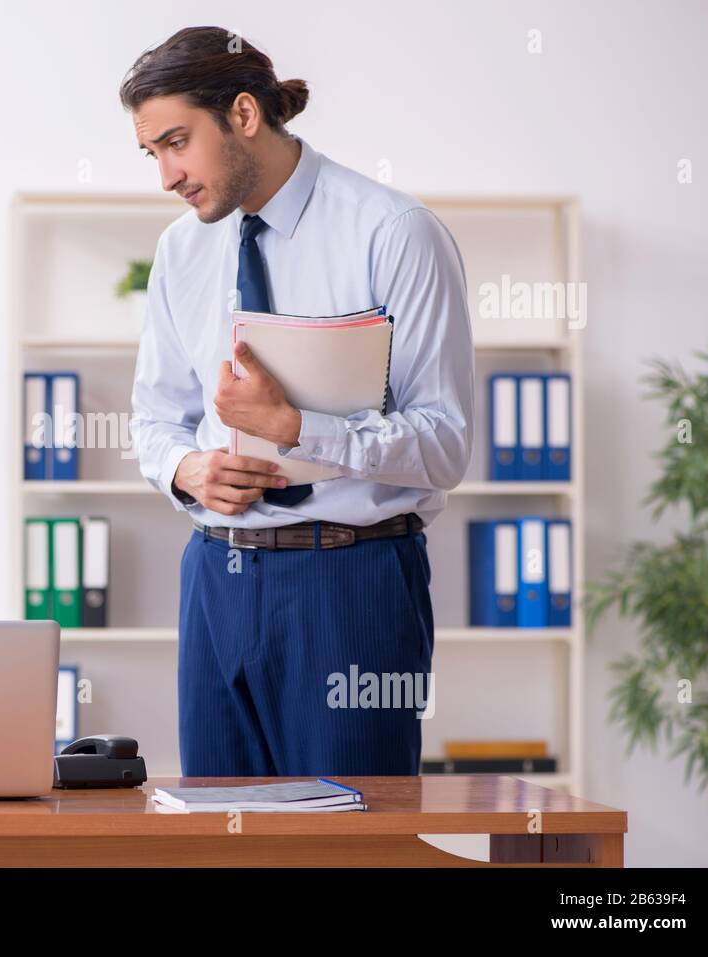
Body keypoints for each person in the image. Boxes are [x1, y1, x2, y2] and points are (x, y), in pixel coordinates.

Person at [123, 27, 474, 776]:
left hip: (353, 582)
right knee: (219, 836)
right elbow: (154, 420)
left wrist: (300, 430)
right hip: (216, 577)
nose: (167, 176)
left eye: (177, 142)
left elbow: (444, 443)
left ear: (244, 114)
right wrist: (189, 468)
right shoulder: (181, 253)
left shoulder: (393, 232)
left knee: (351, 841)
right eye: (152, 152)